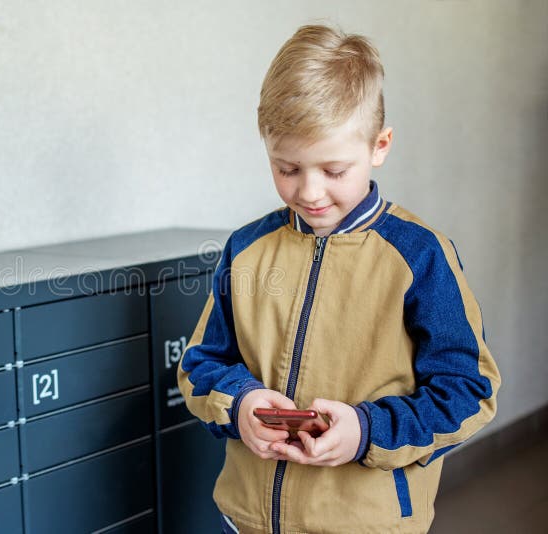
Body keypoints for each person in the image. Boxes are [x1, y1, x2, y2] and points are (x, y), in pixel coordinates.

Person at [177, 23, 500, 534]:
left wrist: (365, 432)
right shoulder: (246, 249)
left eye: (333, 170)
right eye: (287, 168)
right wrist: (240, 404)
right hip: (245, 520)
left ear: (380, 145)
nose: (309, 191)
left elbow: (469, 394)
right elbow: (200, 365)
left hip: (367, 523)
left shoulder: (420, 255)